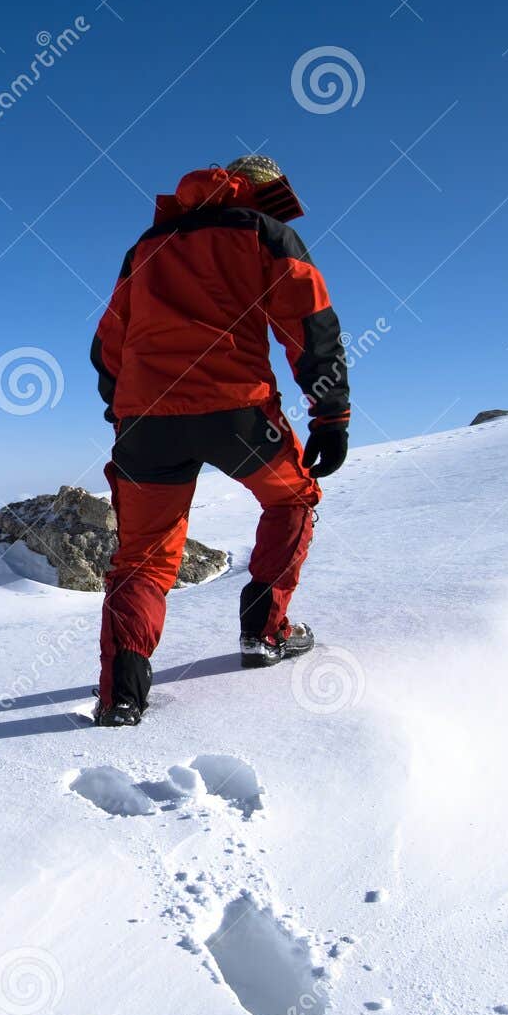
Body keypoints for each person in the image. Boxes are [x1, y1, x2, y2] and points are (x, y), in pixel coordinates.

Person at [90, 155, 350, 727]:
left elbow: (109, 343)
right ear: (259, 193)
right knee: (292, 498)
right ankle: (264, 631)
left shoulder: (146, 249)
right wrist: (331, 415)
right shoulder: (264, 234)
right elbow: (309, 325)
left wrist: (123, 412)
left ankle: (122, 696)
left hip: (146, 422)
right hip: (237, 412)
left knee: (141, 560)